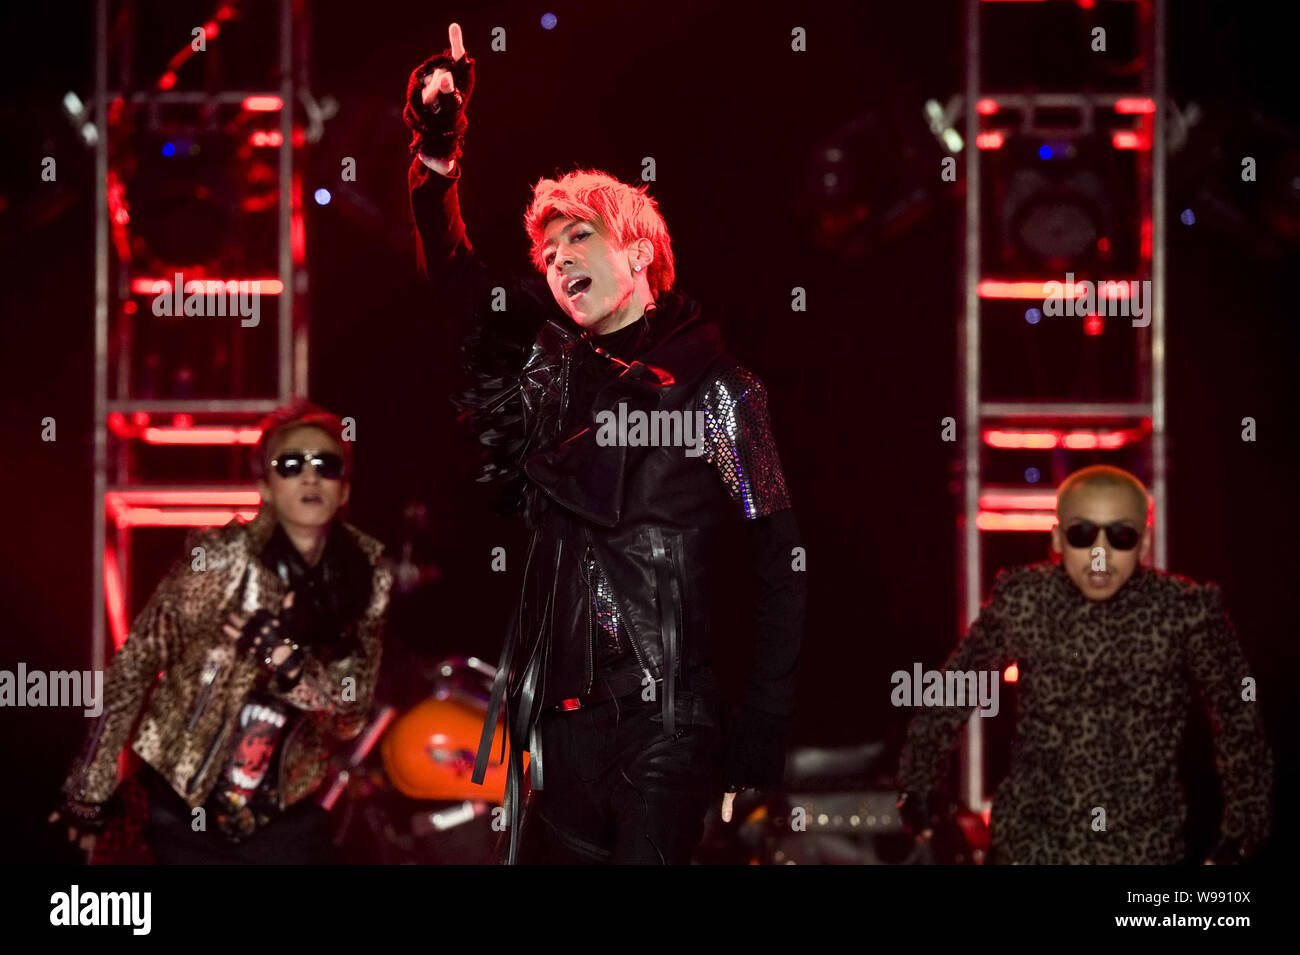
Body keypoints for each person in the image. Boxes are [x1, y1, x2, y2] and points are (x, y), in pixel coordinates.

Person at [404, 23, 806, 864]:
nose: (556, 261)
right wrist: (437, 153)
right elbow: (456, 279)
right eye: (548, 253)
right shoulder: (553, 379)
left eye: (577, 238)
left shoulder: (720, 390)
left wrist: (762, 724)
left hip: (667, 721)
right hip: (563, 721)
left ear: (637, 250)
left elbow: (779, 559)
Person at [53, 398, 393, 863]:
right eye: (291, 464)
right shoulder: (217, 561)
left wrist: (290, 664)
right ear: (266, 487)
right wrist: (88, 791)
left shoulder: (364, 577)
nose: (310, 476)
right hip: (184, 807)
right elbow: (135, 666)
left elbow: (349, 716)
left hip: (283, 816)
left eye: (326, 465)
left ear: (344, 488)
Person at [897, 465, 1273, 864]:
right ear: (1058, 539)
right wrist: (918, 782)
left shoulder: (1185, 612)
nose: (1100, 553)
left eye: (1120, 536)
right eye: (1082, 534)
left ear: (1144, 544)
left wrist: (1245, 829)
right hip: (1030, 845)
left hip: (1142, 850)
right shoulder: (1027, 601)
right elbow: (956, 686)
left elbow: (1238, 718)